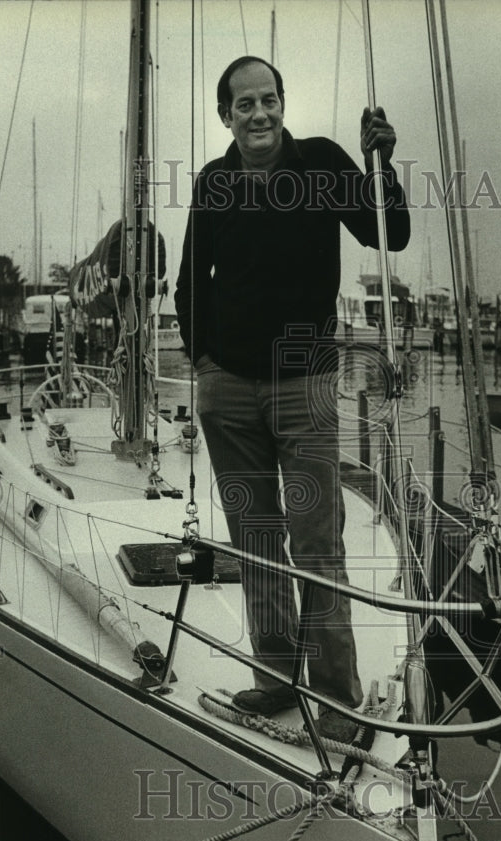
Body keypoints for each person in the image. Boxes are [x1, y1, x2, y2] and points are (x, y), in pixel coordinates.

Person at [174, 56, 410, 742]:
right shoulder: (214, 184)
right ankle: (276, 681)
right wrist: (204, 361)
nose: (259, 114)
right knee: (256, 539)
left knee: (316, 545)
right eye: (244, 104)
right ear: (226, 115)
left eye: (268, 99)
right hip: (230, 393)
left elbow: (386, 232)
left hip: (303, 385)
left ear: (283, 103)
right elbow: (192, 280)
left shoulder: (324, 162)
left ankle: (339, 700)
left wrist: (382, 166)